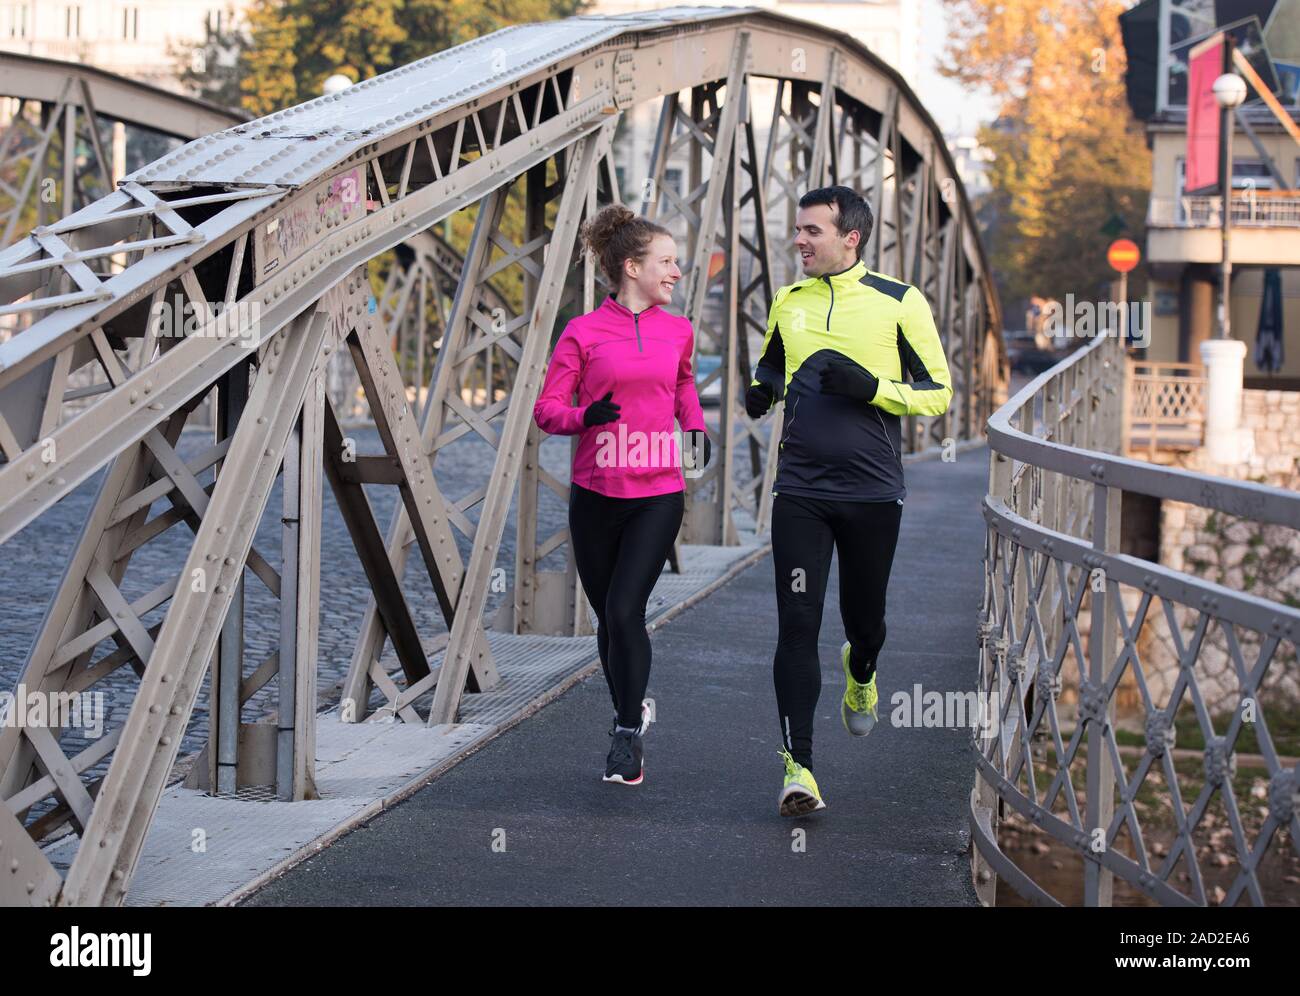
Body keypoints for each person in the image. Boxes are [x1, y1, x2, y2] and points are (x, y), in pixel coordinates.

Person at [746, 185, 952, 816]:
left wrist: (875, 389)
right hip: (801, 491)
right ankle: (798, 768)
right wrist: (762, 391)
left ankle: (860, 673)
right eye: (798, 230)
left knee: (865, 623)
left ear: (850, 238)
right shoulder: (789, 300)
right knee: (797, 624)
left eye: (811, 231)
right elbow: (774, 368)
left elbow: (938, 393)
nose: (799, 241)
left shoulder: (899, 301)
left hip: (871, 493)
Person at [534, 203, 710, 786]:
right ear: (631, 267)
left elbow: (682, 382)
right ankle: (629, 711)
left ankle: (627, 734)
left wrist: (694, 426)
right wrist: (587, 415)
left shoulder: (678, 330)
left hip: (658, 489)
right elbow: (546, 411)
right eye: (667, 261)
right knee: (607, 623)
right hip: (597, 492)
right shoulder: (582, 333)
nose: (676, 272)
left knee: (623, 609)